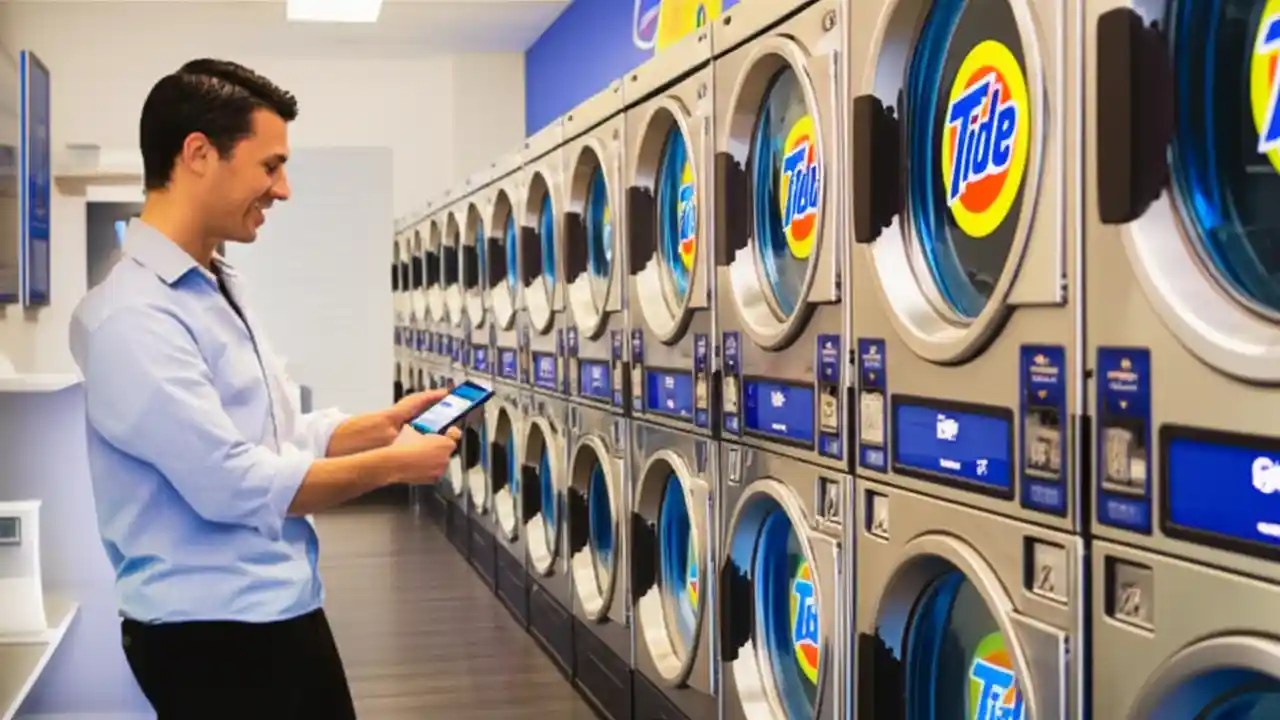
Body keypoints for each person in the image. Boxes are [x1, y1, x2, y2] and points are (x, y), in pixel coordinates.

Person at [68, 59, 459, 719]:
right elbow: (231, 481)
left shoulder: (216, 285)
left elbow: (278, 434)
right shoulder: (132, 317)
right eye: (270, 166)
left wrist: (383, 425)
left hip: (274, 608)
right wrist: (394, 468)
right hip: (212, 637)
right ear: (198, 154)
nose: (283, 190)